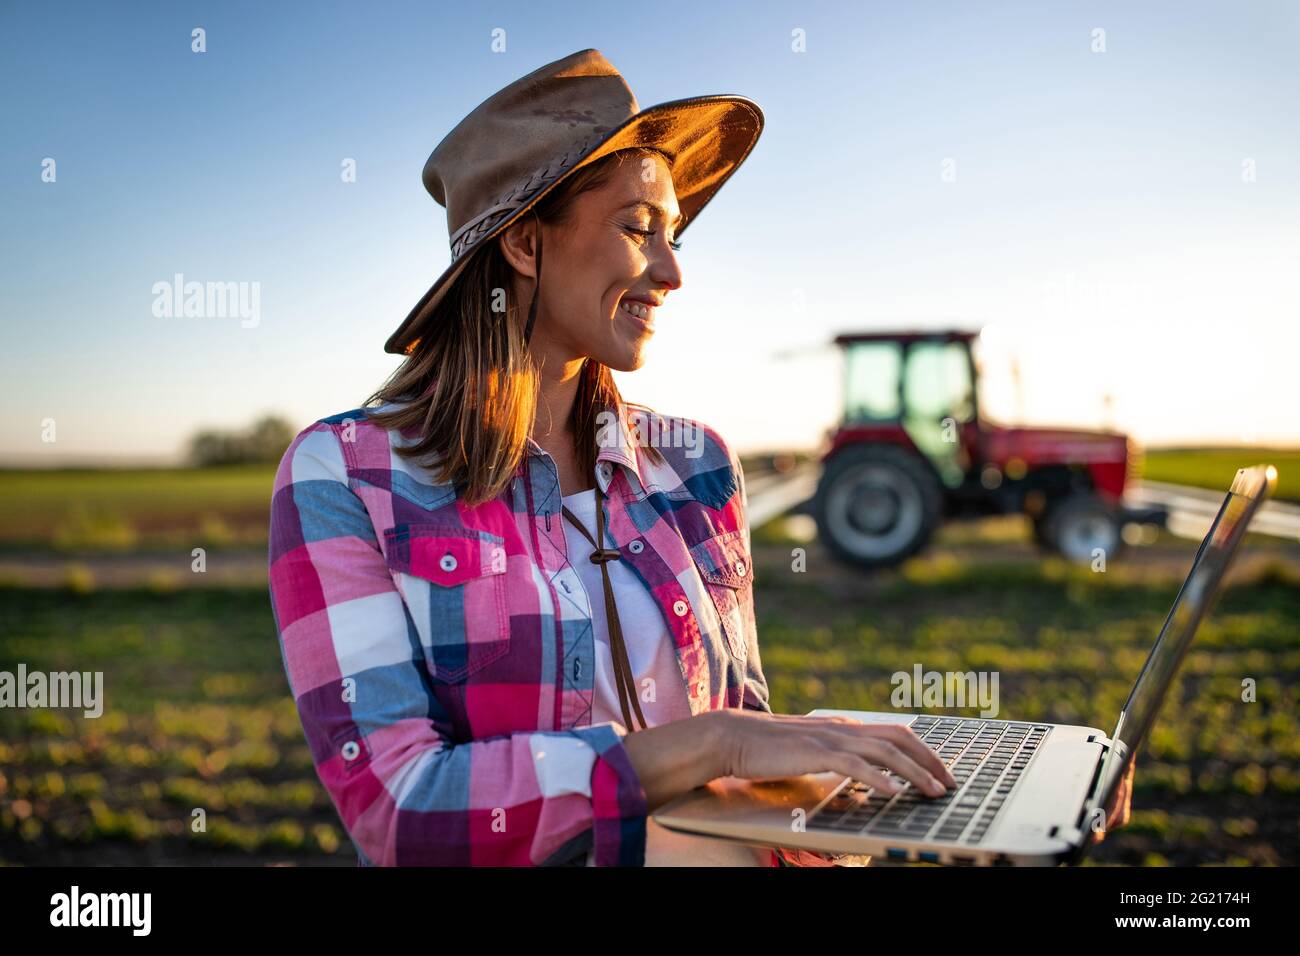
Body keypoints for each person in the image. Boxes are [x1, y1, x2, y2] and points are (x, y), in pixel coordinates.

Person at [266, 48, 1075, 867]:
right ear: (522, 243)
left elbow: (746, 738)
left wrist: (856, 811)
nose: (672, 270)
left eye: (675, 235)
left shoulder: (698, 465)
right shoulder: (345, 477)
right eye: (637, 228)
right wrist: (715, 743)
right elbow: (402, 811)